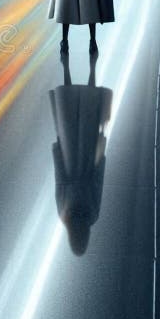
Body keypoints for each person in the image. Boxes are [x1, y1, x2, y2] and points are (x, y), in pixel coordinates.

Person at [49, 52, 112, 255]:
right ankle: (65, 65)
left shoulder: (92, 215)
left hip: (86, 157)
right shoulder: (64, 214)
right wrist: (57, 152)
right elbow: (60, 182)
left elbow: (97, 182)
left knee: (89, 109)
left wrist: (101, 155)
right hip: (68, 156)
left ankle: (92, 67)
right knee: (67, 107)